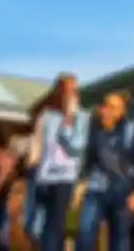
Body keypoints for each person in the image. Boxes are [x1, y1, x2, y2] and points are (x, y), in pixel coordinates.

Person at [74, 91, 134, 251]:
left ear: (122, 111)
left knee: (119, 240)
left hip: (122, 191)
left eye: (113, 107)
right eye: (105, 106)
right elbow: (89, 159)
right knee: (85, 232)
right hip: (96, 188)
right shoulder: (95, 130)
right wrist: (81, 182)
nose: (107, 110)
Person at [24, 74, 90, 251]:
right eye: (66, 91)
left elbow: (77, 147)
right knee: (35, 227)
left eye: (74, 91)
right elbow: (36, 144)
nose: (70, 95)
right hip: (43, 176)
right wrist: (32, 166)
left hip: (65, 177)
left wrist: (69, 119)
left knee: (56, 224)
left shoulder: (82, 118)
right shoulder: (46, 116)